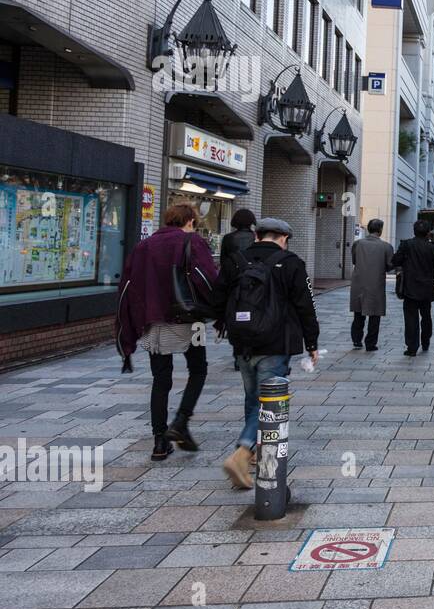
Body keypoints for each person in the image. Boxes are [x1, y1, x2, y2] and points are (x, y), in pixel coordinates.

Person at [210, 217, 319, 489]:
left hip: (242, 342)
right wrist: (312, 343)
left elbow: (217, 298)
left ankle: (253, 455)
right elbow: (306, 306)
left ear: (257, 236)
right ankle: (243, 451)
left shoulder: (235, 260)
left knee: (252, 397)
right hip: (276, 341)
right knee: (266, 401)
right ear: (283, 238)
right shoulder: (291, 263)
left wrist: (223, 325)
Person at [115, 203, 219, 461]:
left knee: (161, 379)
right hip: (187, 318)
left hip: (154, 320)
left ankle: (160, 441)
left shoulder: (144, 246)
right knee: (198, 369)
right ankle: (181, 420)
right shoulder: (191, 242)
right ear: (190, 221)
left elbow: (129, 284)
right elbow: (207, 278)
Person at [393, 220, 434, 356]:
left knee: (411, 318)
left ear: (414, 231)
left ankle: (412, 347)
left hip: (410, 288)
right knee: (426, 316)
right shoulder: (433, 248)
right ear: (428, 233)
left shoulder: (406, 245)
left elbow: (395, 261)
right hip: (427, 289)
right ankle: (425, 340)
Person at [219, 209, 257, 369]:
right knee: (253, 317)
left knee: (235, 319)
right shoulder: (256, 238)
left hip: (233, 286)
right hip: (253, 284)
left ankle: (238, 354)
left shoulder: (228, 239)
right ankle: (251, 349)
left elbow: (223, 262)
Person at [350, 218, 394, 350]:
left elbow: (354, 260)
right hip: (376, 283)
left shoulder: (357, 244)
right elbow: (390, 266)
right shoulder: (386, 246)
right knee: (375, 315)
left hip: (358, 283)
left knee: (358, 313)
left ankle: (357, 340)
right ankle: (370, 343)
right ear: (380, 230)